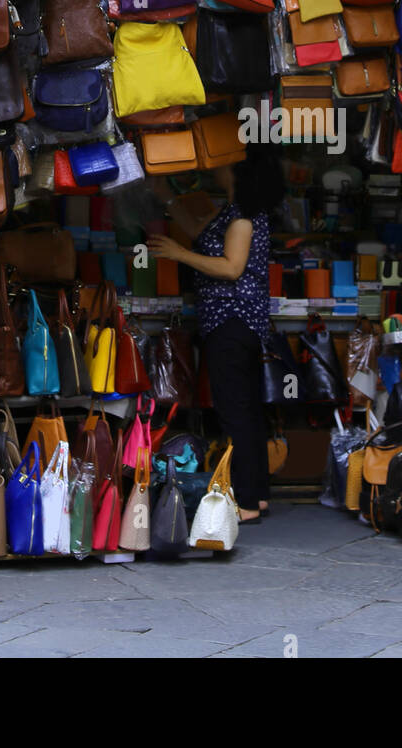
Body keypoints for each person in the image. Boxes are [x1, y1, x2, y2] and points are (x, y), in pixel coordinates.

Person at [146, 145, 285, 524]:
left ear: (240, 175)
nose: (218, 168)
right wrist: (166, 198)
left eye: (226, 165)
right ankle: (258, 496)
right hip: (235, 324)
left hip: (232, 322)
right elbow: (198, 232)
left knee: (235, 412)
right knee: (246, 411)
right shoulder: (232, 212)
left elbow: (231, 267)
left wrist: (179, 254)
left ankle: (248, 504)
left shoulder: (242, 218)